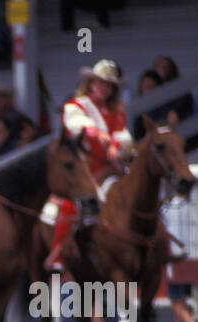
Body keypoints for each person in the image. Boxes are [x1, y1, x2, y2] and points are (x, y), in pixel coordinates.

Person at [45, 58, 131, 273]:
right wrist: (99, 134)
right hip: (82, 169)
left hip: (108, 170)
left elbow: (124, 136)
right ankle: (59, 250)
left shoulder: (117, 112)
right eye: (101, 82)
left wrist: (117, 146)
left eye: (109, 85)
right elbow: (75, 126)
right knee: (74, 200)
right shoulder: (77, 105)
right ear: (92, 82)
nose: (105, 88)